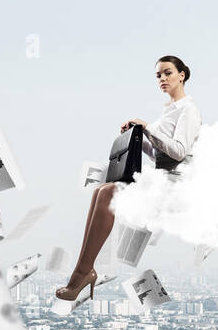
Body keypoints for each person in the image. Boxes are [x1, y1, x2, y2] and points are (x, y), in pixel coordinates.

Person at [55, 56, 202, 305]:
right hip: (162, 177)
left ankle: (81, 274)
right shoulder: (170, 111)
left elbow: (178, 151)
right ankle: (83, 271)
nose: (162, 79)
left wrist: (147, 128)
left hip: (175, 184)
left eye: (167, 73)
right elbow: (160, 154)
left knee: (109, 192)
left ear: (182, 75)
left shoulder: (188, 109)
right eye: (158, 75)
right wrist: (138, 138)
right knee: (101, 190)